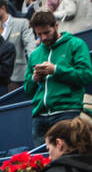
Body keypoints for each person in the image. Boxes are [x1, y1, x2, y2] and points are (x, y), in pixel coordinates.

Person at [25, 9, 92, 143]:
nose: (43, 38)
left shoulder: (76, 44)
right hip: (40, 116)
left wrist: (55, 70)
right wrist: (35, 78)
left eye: (46, 33)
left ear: (56, 26)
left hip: (67, 112)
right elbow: (27, 90)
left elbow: (85, 76)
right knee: (42, 161)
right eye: (39, 35)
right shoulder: (35, 54)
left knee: (69, 156)